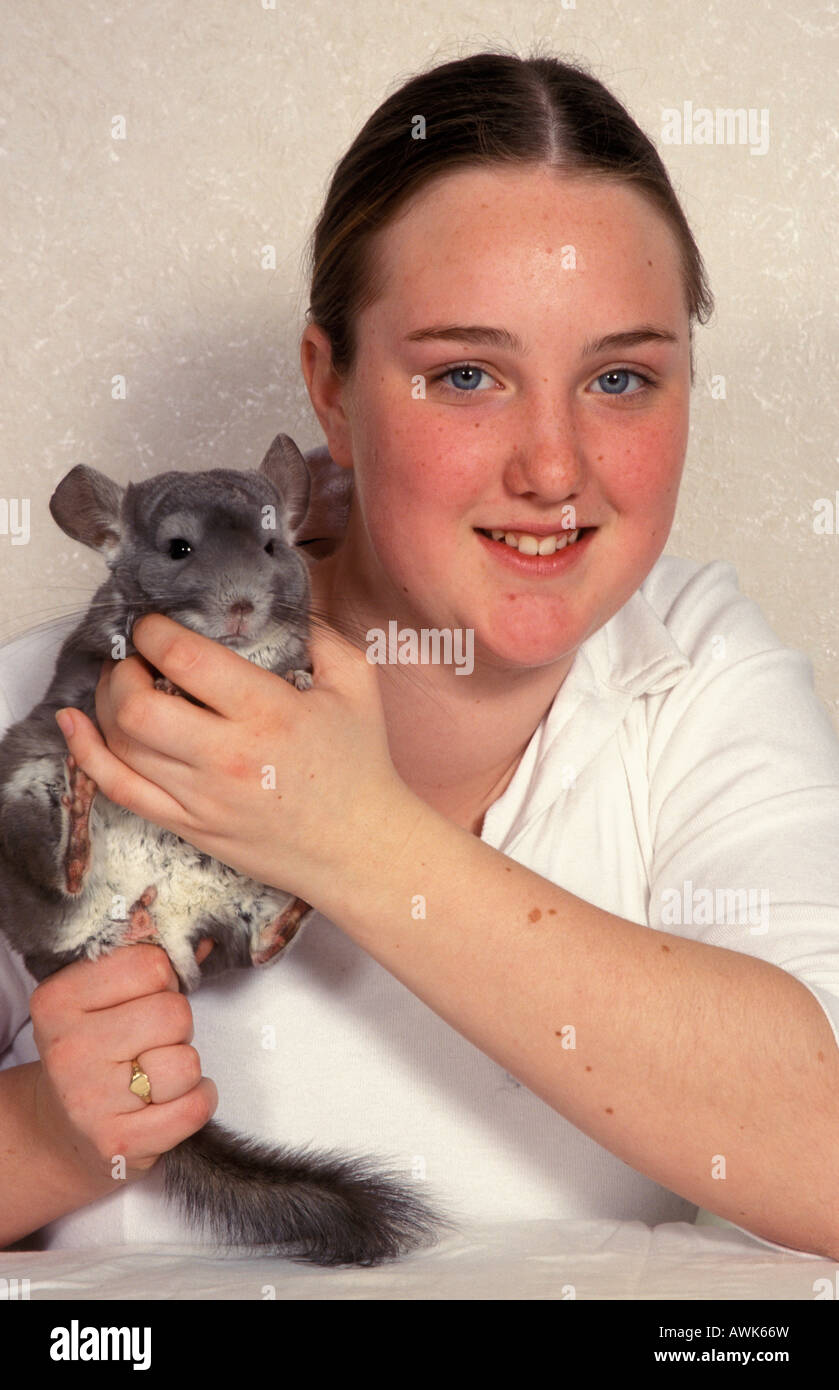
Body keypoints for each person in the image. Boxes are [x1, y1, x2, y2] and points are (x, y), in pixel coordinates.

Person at [1, 48, 838, 1263]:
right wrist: (50, 1133)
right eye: (463, 374)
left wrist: (346, 834)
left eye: (619, 376)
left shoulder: (690, 667)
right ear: (329, 387)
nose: (553, 470)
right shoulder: (70, 697)